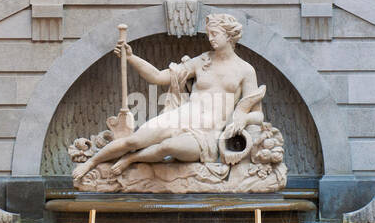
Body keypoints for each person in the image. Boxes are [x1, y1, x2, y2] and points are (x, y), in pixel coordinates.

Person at [73, 13, 265, 180]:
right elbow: (158, 77)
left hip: (207, 133)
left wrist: (244, 118)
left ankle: (132, 158)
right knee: (133, 141)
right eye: (209, 34)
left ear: (229, 35)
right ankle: (91, 163)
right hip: (182, 116)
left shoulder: (245, 70)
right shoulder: (202, 61)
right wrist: (131, 57)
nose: (210, 39)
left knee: (169, 147)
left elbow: (258, 115)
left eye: (215, 34)